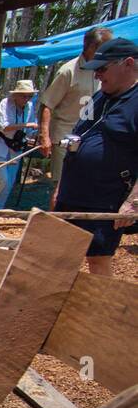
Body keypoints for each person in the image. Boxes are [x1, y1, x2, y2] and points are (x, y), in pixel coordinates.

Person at [53, 36, 138, 276]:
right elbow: (78, 137)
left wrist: (133, 203)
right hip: (72, 193)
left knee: (97, 259)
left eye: (102, 69)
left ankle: (101, 313)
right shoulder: (100, 96)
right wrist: (61, 186)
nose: (97, 75)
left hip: (105, 197)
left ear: (128, 64)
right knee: (56, 253)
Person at [39, 26, 114, 194]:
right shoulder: (68, 71)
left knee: (86, 185)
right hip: (66, 137)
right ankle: (54, 220)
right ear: (92, 47)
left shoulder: (107, 71)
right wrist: (44, 136)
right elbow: (47, 104)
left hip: (92, 138)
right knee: (60, 187)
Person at [0, 79, 39, 210]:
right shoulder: (5, 103)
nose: (26, 99)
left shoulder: (30, 106)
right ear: (16, 94)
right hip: (0, 146)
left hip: (16, 148)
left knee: (9, 183)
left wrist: (33, 133)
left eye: (29, 96)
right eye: (23, 96)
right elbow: (4, 126)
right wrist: (25, 125)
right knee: (1, 181)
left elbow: (31, 127)